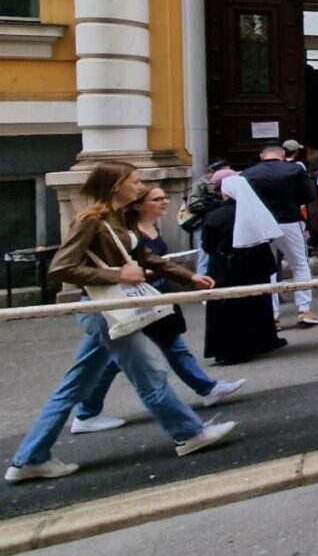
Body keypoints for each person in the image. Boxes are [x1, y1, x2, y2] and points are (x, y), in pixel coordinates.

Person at [8, 163, 235, 483]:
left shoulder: (118, 217)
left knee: (74, 386)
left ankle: (30, 458)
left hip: (108, 311)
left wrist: (189, 276)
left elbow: (144, 257)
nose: (141, 186)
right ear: (116, 186)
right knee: (150, 375)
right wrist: (117, 275)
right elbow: (60, 268)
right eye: (135, 181)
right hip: (106, 310)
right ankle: (189, 433)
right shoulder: (91, 220)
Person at [71, 187, 245, 434]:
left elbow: (153, 261)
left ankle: (87, 412)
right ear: (138, 204)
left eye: (165, 197)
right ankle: (197, 409)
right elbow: (125, 267)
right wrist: (144, 274)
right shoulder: (123, 230)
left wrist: (187, 276)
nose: (164, 202)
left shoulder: (147, 228)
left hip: (154, 298)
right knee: (148, 362)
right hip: (134, 301)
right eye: (157, 199)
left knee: (124, 359)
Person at [201, 174, 289, 365]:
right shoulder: (256, 211)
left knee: (230, 309)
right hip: (255, 266)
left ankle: (233, 350)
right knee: (258, 304)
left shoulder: (216, 216)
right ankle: (263, 340)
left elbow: (208, 245)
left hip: (227, 268)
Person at [243, 142, 318, 328]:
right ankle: (303, 310)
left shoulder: (248, 174)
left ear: (262, 155)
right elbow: (309, 195)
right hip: (290, 220)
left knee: (267, 269)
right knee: (299, 264)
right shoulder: (294, 170)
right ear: (283, 154)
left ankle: (273, 315)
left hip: (262, 223)